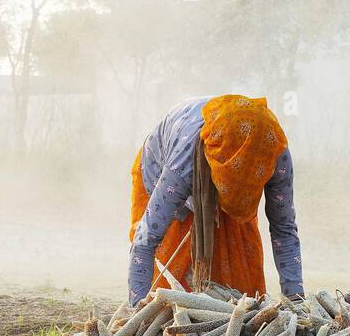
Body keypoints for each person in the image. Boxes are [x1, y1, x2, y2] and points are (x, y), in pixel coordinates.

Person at [127, 94, 304, 306]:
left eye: (249, 178)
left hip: (221, 194)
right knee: (168, 288)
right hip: (172, 171)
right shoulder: (183, 165)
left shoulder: (275, 152)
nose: (243, 181)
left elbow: (283, 228)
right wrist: (138, 311)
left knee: (242, 281)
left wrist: (296, 299)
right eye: (234, 179)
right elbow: (146, 238)